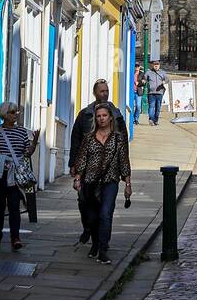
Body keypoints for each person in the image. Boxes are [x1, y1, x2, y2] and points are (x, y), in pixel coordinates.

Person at [72, 103, 131, 264]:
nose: (101, 118)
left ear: (110, 117)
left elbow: (124, 161)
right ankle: (95, 242)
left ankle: (103, 250)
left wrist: (127, 184)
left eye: (104, 115)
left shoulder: (118, 139)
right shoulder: (89, 138)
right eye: (98, 116)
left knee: (105, 214)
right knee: (92, 218)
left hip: (110, 181)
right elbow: (82, 159)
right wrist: (78, 178)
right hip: (90, 182)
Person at [69, 79, 126, 244]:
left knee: (106, 208)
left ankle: (102, 243)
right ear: (95, 93)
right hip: (86, 168)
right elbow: (76, 139)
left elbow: (123, 142)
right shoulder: (85, 114)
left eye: (107, 91)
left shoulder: (116, 115)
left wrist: (125, 171)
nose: (105, 94)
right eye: (102, 91)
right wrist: (73, 163)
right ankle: (87, 227)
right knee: (83, 201)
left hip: (109, 170)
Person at [0, 102, 38, 251]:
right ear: (5, 114)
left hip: (15, 175)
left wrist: (35, 142)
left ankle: (15, 238)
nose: (15, 114)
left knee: (14, 207)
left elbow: (27, 153)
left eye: (16, 112)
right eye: (12, 112)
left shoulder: (22, 132)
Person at [145, 60, 168, 125]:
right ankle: (151, 119)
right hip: (151, 93)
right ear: (152, 65)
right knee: (151, 106)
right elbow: (144, 78)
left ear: (159, 65)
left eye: (157, 64)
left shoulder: (162, 72)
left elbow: (167, 79)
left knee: (158, 108)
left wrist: (164, 81)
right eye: (155, 64)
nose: (156, 66)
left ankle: (156, 120)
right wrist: (143, 81)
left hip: (159, 92)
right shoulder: (148, 72)